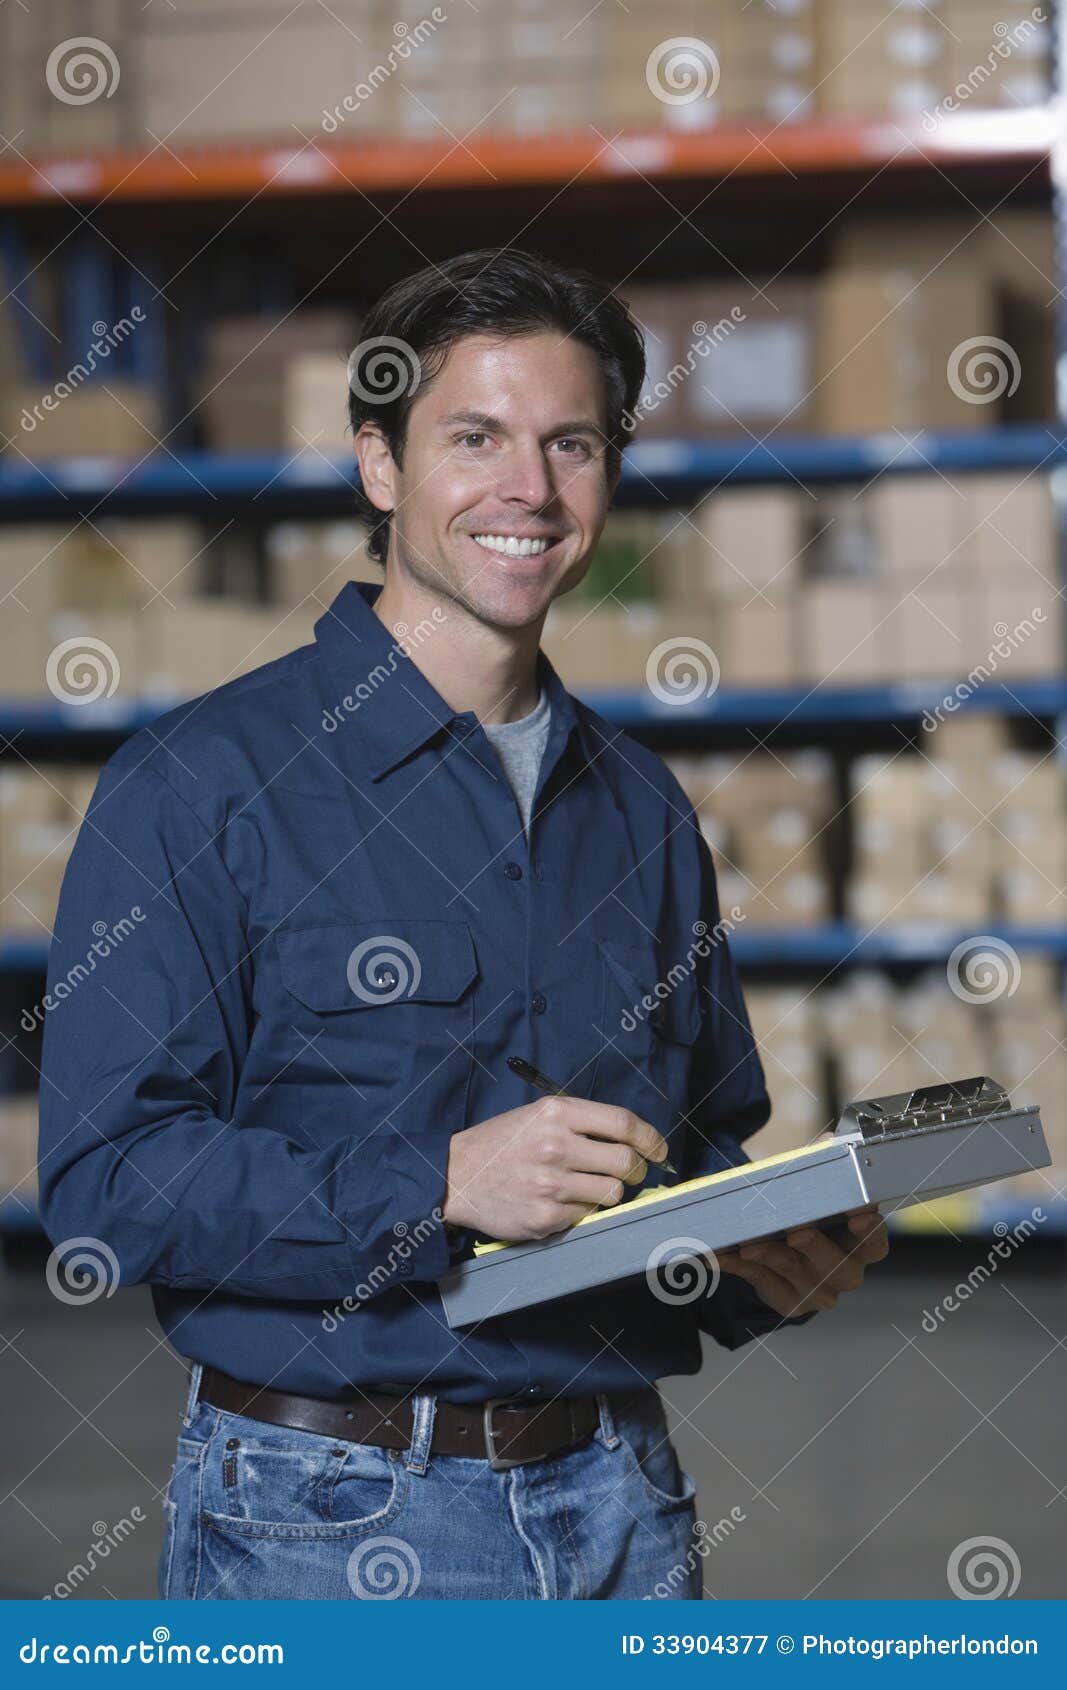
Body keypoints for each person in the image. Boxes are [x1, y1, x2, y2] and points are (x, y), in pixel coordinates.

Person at [37, 247, 887, 1602]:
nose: (530, 490)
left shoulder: (645, 809)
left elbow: (696, 1144)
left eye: (573, 444)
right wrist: (434, 1186)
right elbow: (108, 1183)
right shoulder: (205, 782)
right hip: (323, 1521)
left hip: (623, 1503)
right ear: (379, 464)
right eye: (475, 437)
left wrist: (755, 1262)